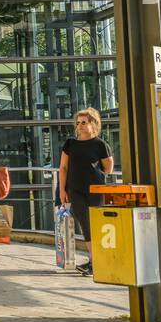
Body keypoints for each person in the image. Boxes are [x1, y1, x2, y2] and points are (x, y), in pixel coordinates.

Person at [59, 108, 114, 276]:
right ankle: (94, 261)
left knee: (96, 225)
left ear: (93, 124)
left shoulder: (100, 144)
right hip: (75, 190)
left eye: (84, 122)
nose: (80, 126)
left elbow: (108, 167)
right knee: (85, 224)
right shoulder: (70, 143)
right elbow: (63, 167)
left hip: (95, 190)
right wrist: (62, 190)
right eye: (78, 123)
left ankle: (96, 262)